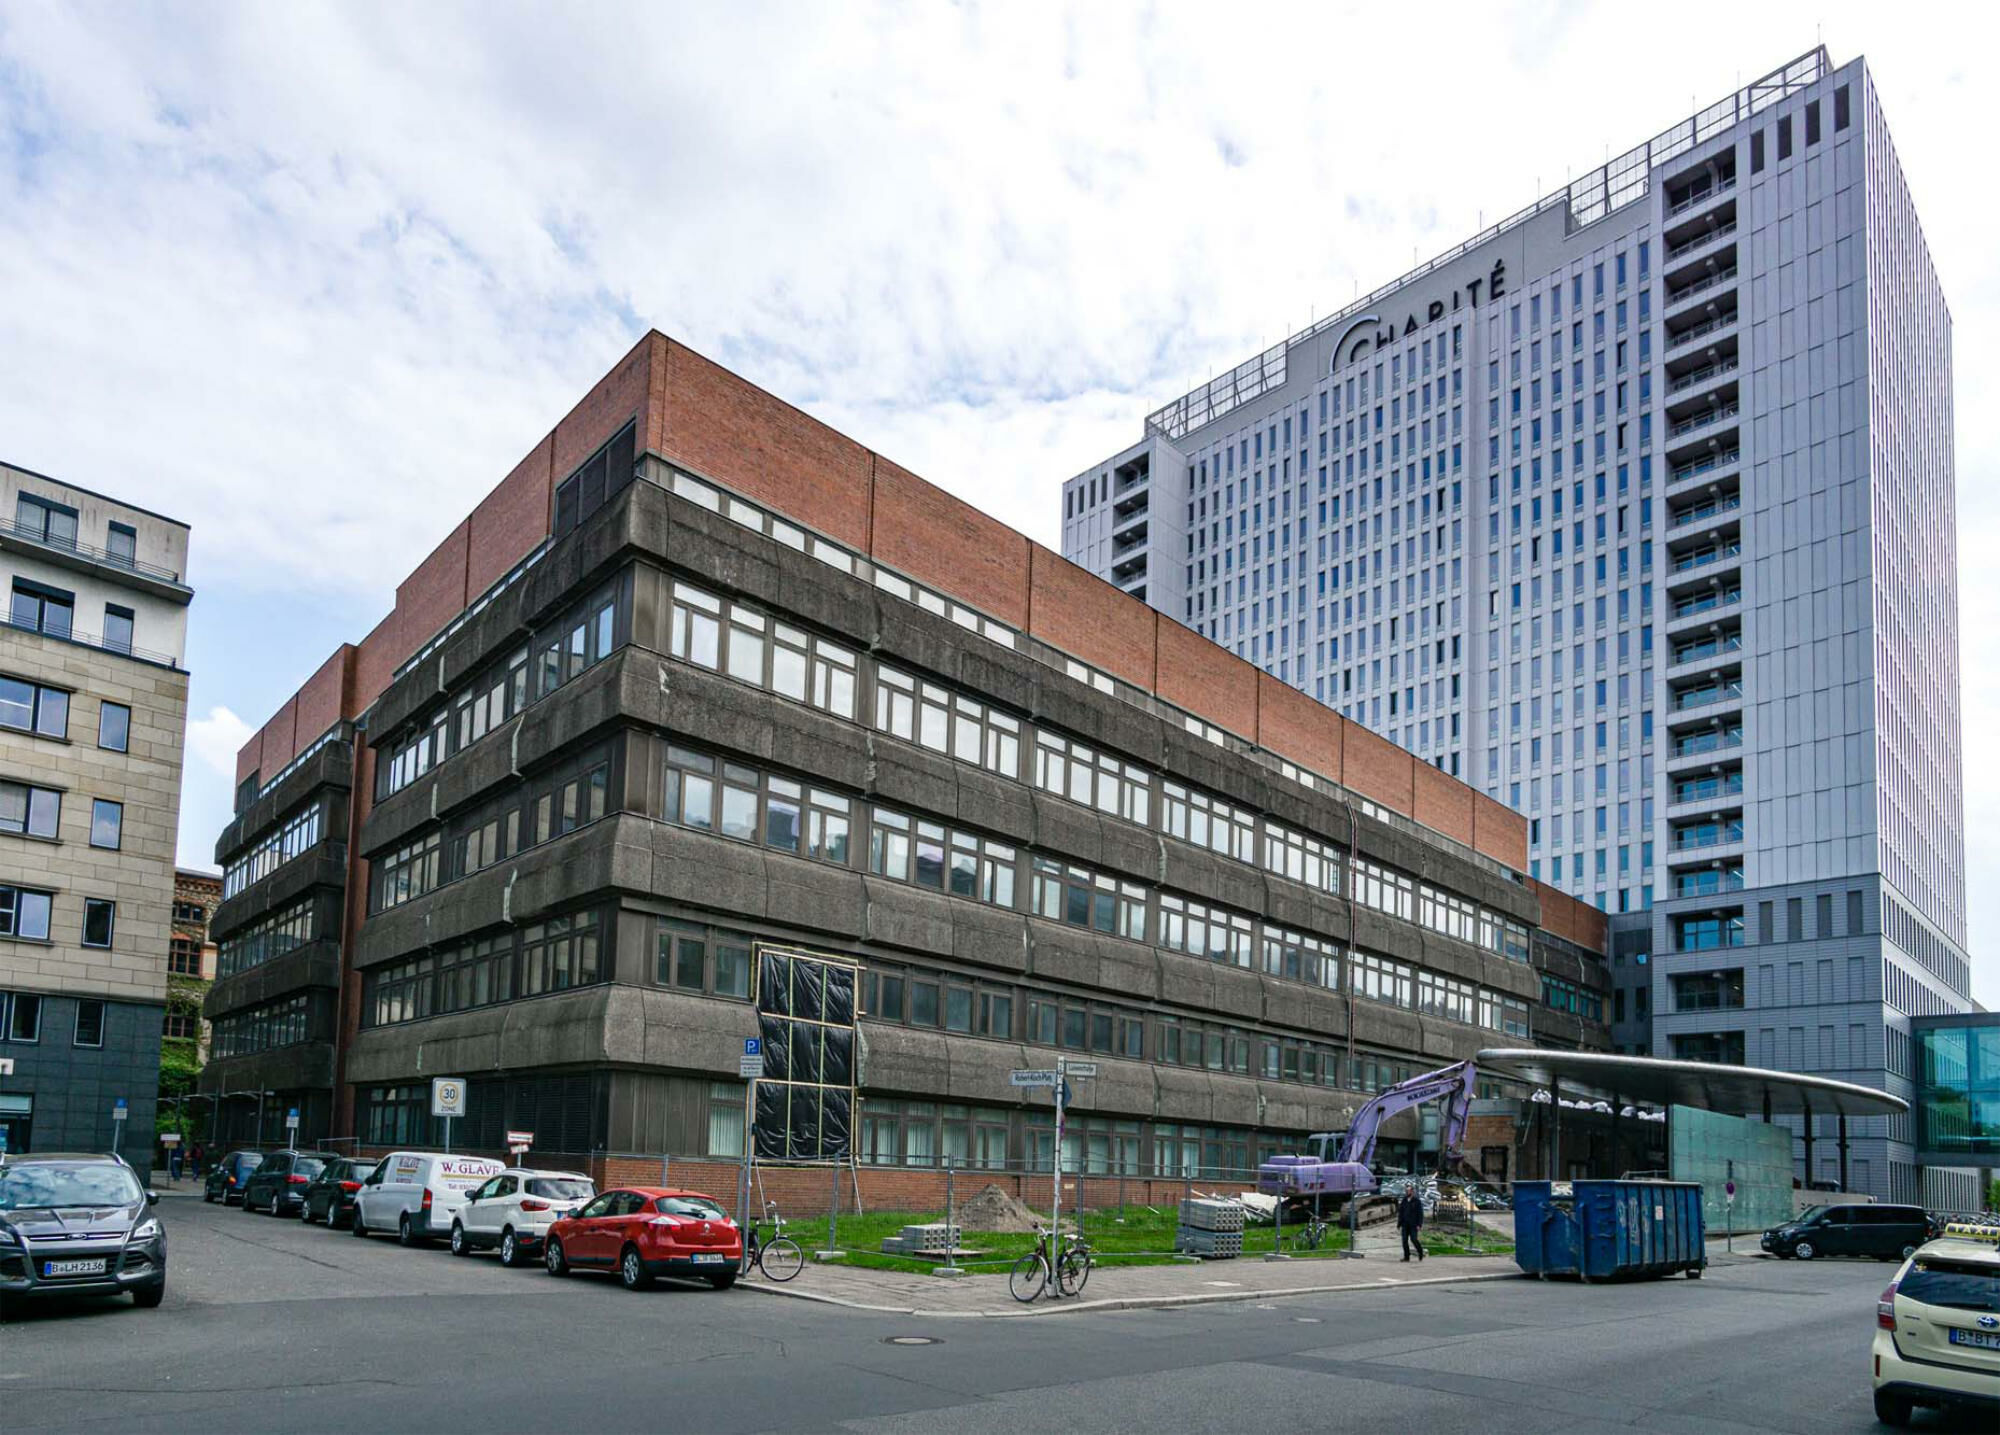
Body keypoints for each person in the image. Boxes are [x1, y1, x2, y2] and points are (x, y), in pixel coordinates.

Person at [1397, 1187, 1426, 1262]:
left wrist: (1419, 1224)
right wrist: (1399, 1224)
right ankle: (1406, 1257)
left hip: (1413, 1224)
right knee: (1404, 1240)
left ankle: (1420, 1252)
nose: (1407, 1192)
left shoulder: (1417, 1201)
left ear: (1412, 1192)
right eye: (1406, 1190)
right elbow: (1401, 1213)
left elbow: (1420, 1214)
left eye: (1408, 1191)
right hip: (1405, 1224)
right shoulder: (1404, 1200)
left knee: (1414, 1239)